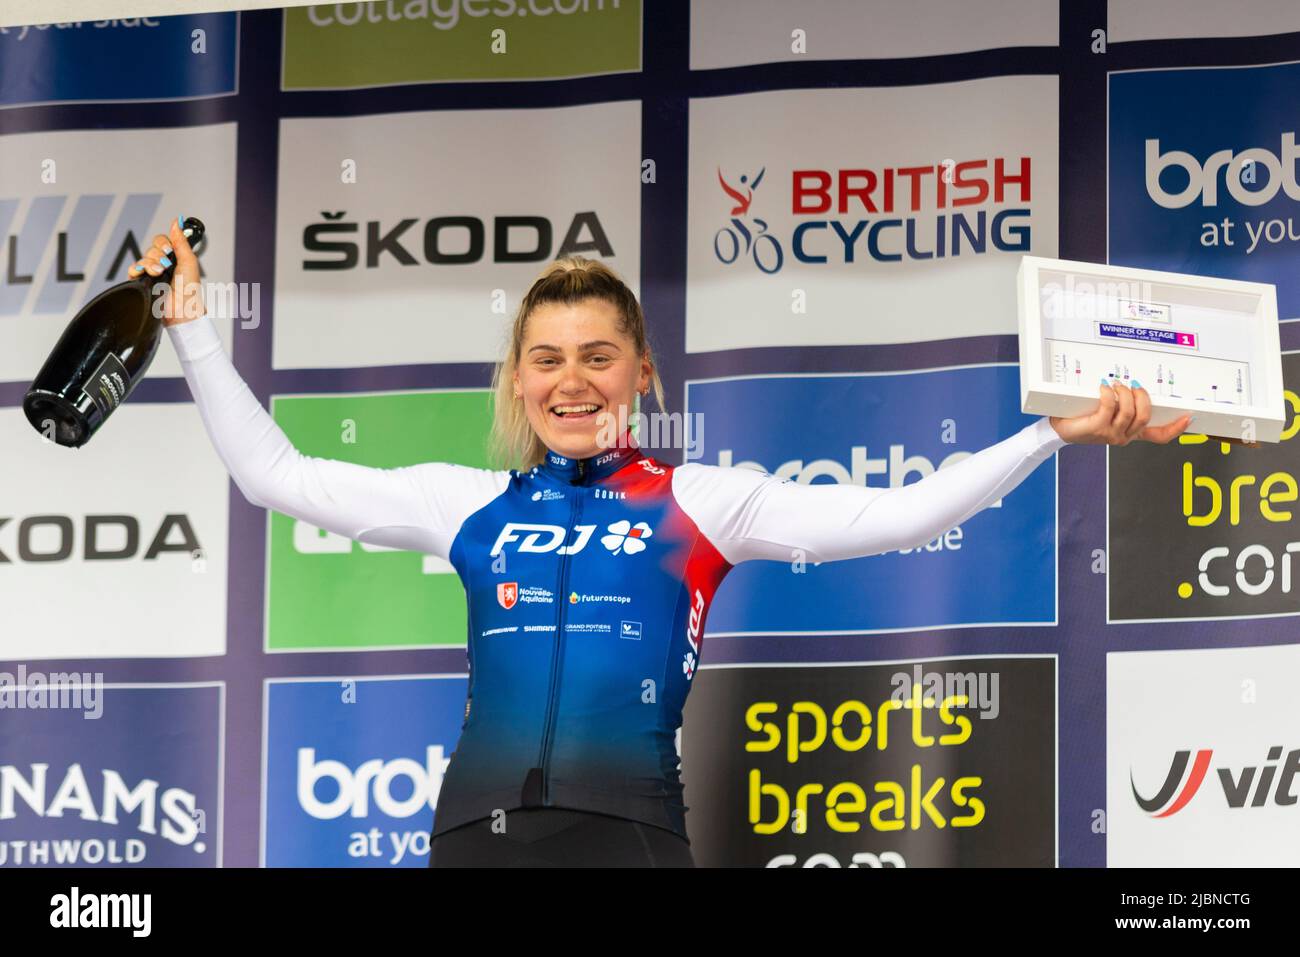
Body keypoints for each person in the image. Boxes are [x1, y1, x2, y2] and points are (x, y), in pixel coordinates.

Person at [132, 218, 1192, 867]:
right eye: (544, 359)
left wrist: (1053, 433)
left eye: (598, 354)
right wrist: (189, 325)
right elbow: (273, 475)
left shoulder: (701, 503)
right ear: (517, 381)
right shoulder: (464, 505)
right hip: (473, 841)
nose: (570, 379)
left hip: (627, 839)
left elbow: (902, 513)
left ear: (641, 371)